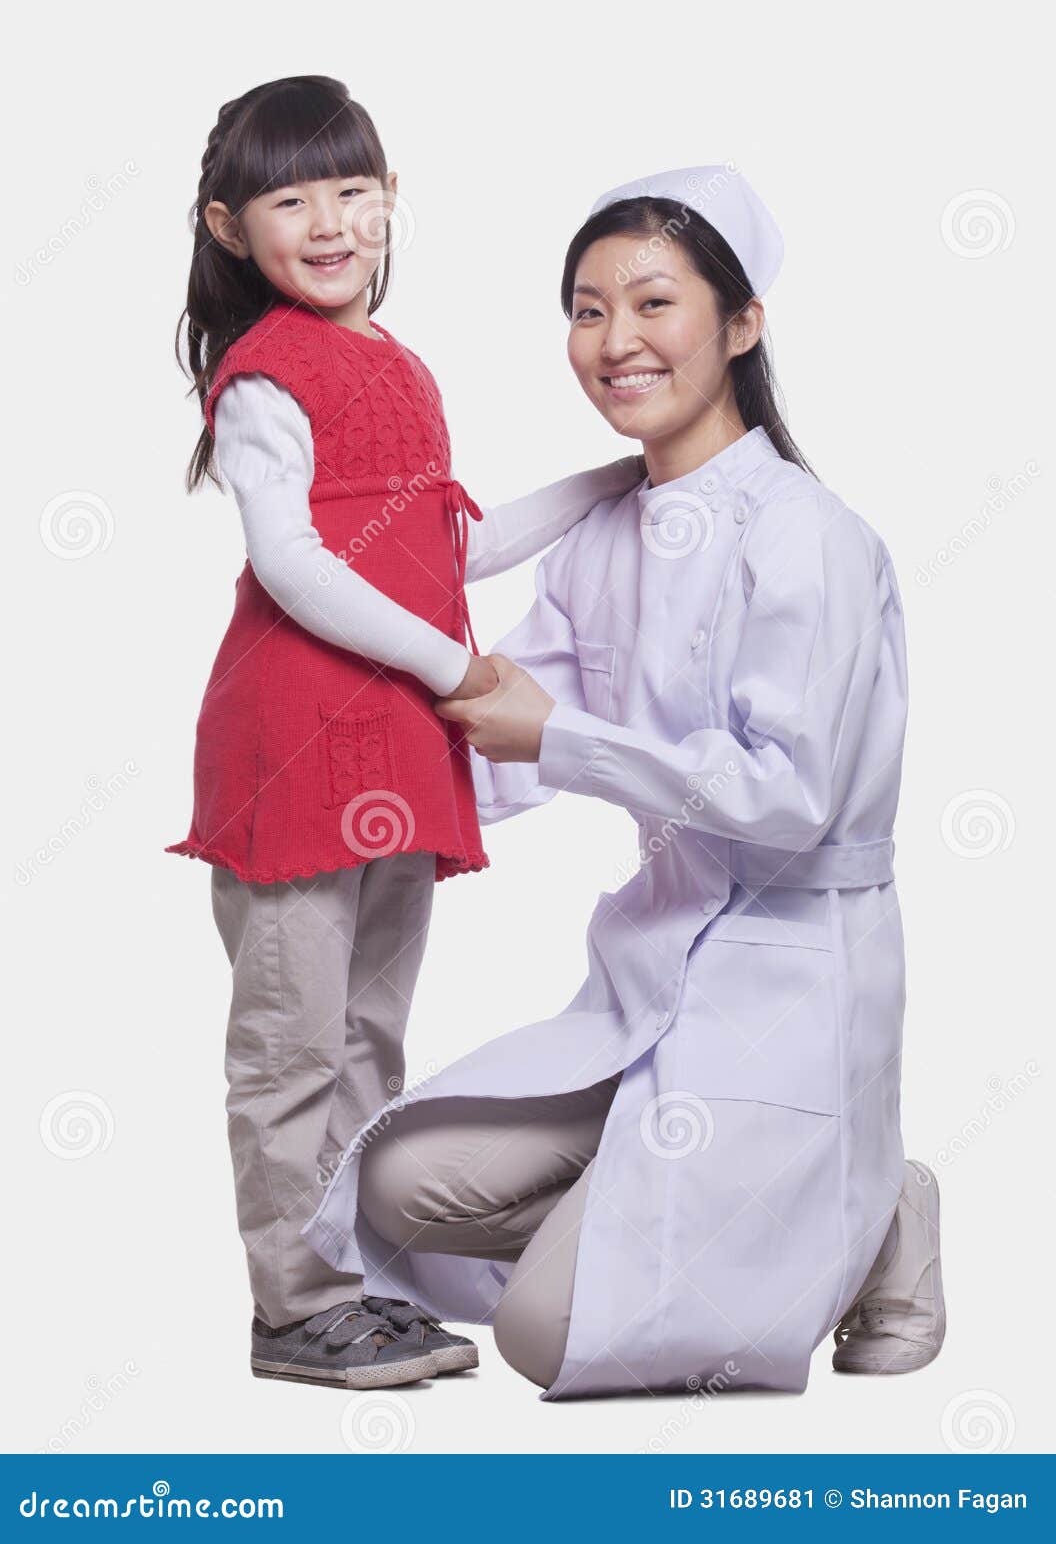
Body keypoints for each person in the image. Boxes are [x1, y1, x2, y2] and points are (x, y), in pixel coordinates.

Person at [304, 166, 947, 1398]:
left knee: (553, 1334)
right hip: (653, 971)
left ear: (742, 323)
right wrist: (344, 817)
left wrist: (562, 739)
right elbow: (500, 726)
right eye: (587, 309)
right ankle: (707, 1199)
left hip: (792, 983)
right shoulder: (605, 536)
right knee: (394, 1183)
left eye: (654, 303)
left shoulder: (807, 535)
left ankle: (876, 1208)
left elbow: (789, 797)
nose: (616, 341)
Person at [167, 75, 642, 1389]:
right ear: (228, 225)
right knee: (290, 1039)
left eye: (354, 188)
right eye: (292, 197)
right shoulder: (265, 379)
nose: (331, 221)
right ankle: (293, 1305)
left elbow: (448, 547)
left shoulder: (400, 364)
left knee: (368, 1033)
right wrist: (459, 665)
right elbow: (300, 563)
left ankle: (350, 1282)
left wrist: (609, 480)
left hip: (396, 743)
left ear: (390, 200)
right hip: (297, 743)